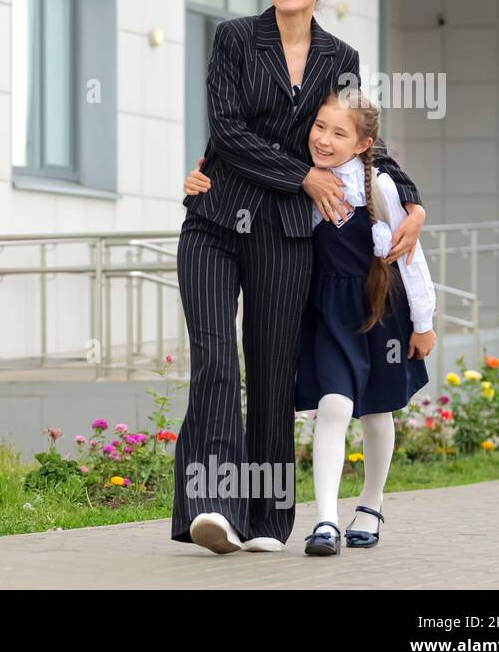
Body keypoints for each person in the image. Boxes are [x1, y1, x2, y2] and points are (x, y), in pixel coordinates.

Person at [172, 0, 427, 555]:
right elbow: (226, 130)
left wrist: (413, 204)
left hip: (284, 237)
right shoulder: (233, 39)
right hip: (215, 219)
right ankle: (211, 508)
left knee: (271, 373)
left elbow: (362, 140)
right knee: (212, 359)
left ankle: (263, 521)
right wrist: (305, 177)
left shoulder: (340, 59)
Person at [186, 87, 436, 555]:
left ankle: (371, 502)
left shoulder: (378, 185)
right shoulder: (299, 178)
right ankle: (325, 520)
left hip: (378, 311)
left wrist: (424, 321)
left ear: (362, 144)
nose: (323, 138)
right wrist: (204, 179)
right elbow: (248, 181)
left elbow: (410, 259)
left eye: (338, 133)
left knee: (377, 413)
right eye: (319, 127)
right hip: (324, 313)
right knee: (335, 406)